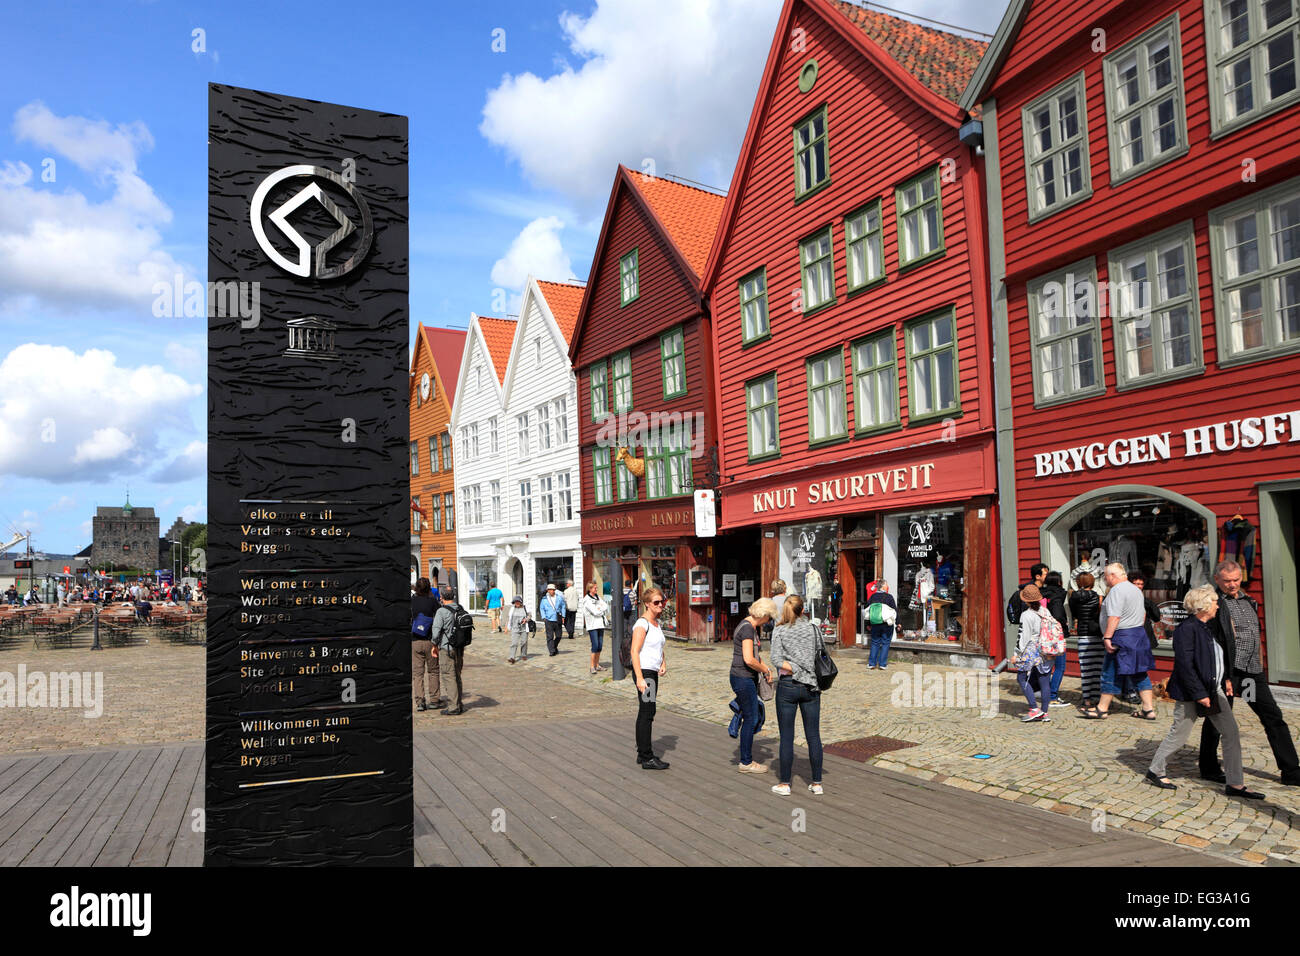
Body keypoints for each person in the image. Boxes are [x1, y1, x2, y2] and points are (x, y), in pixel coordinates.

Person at [1145, 586, 1263, 799]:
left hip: (1213, 688)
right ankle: (1155, 770)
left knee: (1231, 733)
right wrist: (1200, 693)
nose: (1218, 605)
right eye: (1215, 602)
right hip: (1193, 692)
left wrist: (1225, 678)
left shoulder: (1208, 627)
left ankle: (1235, 784)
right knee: (1179, 734)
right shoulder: (1186, 629)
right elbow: (1185, 665)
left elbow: (1216, 658)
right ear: (1204, 605)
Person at [1199, 560, 1300, 786]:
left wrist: (1261, 666)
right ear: (1217, 580)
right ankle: (1208, 767)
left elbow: (1255, 636)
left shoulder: (1249, 602)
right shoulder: (1212, 604)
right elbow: (1210, 642)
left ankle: (1291, 771)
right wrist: (1221, 676)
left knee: (1272, 717)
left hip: (1251, 673)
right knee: (1218, 720)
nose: (1233, 585)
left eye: (1236, 579)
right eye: (1227, 581)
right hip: (1227, 673)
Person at [1081, 563, 1157, 720]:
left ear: (1113, 576)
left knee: (1109, 671)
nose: (1105, 579)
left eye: (1106, 576)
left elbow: (1114, 616)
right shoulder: (1135, 589)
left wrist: (1108, 637)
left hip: (1122, 636)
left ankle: (1102, 709)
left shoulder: (1117, 590)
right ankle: (1148, 709)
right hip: (1138, 634)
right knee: (1140, 672)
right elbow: (1143, 615)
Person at [768, 594, 825, 795]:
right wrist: (804, 669)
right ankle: (817, 783)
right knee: (813, 735)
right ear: (803, 610)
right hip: (811, 686)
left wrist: (793, 668)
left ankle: (785, 783)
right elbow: (821, 653)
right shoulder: (813, 629)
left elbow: (775, 659)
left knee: (786, 736)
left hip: (788, 685)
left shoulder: (780, 630)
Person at [730, 597, 777, 774]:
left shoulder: (748, 626)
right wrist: (765, 669)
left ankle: (746, 758)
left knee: (751, 715)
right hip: (742, 677)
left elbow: (755, 656)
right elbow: (749, 659)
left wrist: (764, 667)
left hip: (743, 677)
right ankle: (746, 762)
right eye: (769, 617)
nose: (769, 621)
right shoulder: (748, 628)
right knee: (751, 718)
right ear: (763, 614)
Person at [630, 587, 669, 770]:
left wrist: (663, 662)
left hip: (652, 672)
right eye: (656, 602)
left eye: (662, 601)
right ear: (647, 604)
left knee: (648, 711)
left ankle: (642, 753)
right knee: (647, 712)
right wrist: (639, 678)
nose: (660, 605)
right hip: (644, 672)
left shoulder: (656, 623)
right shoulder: (642, 623)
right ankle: (646, 757)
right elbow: (634, 651)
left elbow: (659, 646)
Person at [1012, 584, 1052, 722]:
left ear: (1025, 600)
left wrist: (1016, 654)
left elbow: (1023, 637)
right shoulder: (1045, 611)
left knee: (1021, 678)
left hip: (1031, 650)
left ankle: (1034, 709)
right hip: (1046, 649)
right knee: (1044, 681)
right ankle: (1044, 712)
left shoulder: (1026, 615)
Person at [1069, 571, 1104, 710]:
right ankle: (1097, 697)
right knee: (1098, 668)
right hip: (1096, 633)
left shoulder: (1073, 597)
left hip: (1082, 633)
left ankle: (1087, 700)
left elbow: (1074, 614)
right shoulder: (1098, 597)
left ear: (1078, 583)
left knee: (1086, 669)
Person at [430, 587, 467, 716]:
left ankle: (453, 707)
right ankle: (459, 704)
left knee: (448, 676)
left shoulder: (441, 611)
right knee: (457, 675)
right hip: (459, 647)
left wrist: (434, 645)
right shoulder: (460, 608)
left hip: (447, 648)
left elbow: (436, 631)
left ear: (442, 597)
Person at [411, 577, 443, 712]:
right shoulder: (433, 602)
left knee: (417, 673)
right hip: (430, 640)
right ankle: (434, 700)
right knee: (433, 671)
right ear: (429, 588)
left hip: (415, 640)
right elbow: (439, 618)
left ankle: (420, 701)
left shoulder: (411, 601)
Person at [1039, 571, 1070, 707]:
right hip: (1056, 635)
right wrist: (1064, 624)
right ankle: (1052, 697)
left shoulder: (1041, 593)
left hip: (1042, 633)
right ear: (1059, 581)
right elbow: (1058, 614)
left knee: (1046, 666)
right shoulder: (1058, 595)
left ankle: (1046, 693)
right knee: (1060, 666)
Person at [579, 581, 609, 674]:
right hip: (592, 626)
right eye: (595, 588)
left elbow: (605, 606)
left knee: (600, 646)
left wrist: (600, 609)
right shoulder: (587, 600)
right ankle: (592, 666)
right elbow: (595, 612)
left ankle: (597, 664)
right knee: (595, 645)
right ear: (590, 589)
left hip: (600, 624)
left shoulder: (598, 597)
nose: (597, 589)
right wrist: (600, 609)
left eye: (596, 587)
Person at [866, 581, 897, 670]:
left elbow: (868, 611)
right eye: (886, 585)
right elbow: (895, 610)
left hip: (875, 623)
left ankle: (872, 664)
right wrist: (898, 622)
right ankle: (882, 664)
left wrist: (868, 624)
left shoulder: (873, 597)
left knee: (875, 642)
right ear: (883, 587)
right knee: (885, 643)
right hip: (886, 624)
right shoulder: (889, 597)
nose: (888, 586)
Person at [540, 583, 566, 656]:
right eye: (550, 590)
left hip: (557, 619)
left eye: (553, 590)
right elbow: (542, 608)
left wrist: (563, 616)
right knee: (550, 636)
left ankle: (554, 646)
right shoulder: (544, 599)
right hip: (548, 619)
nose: (551, 591)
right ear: (548, 590)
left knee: (559, 636)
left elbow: (563, 606)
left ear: (554, 590)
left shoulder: (559, 598)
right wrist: (544, 617)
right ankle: (551, 651)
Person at [507, 595, 530, 663]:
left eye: (518, 602)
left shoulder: (525, 608)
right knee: (514, 643)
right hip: (515, 628)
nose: (516, 603)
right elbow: (509, 618)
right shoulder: (512, 609)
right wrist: (507, 627)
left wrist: (526, 620)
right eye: (515, 602)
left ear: (521, 602)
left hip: (524, 628)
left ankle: (523, 654)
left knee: (524, 642)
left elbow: (530, 615)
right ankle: (512, 657)